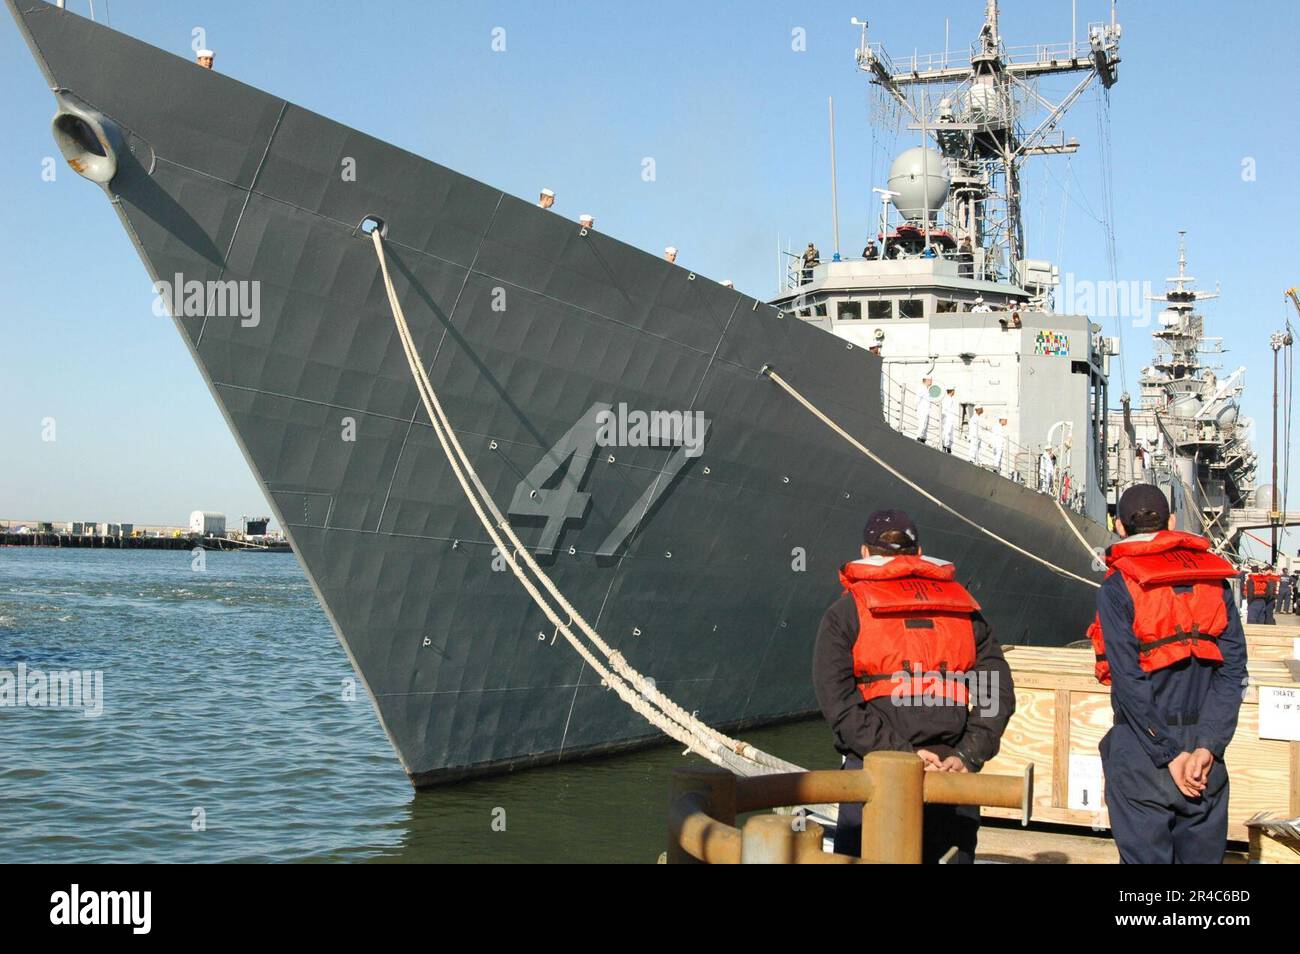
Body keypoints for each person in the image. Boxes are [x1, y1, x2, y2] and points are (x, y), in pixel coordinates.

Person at [813, 509, 1015, 862]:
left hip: (875, 777)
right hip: (953, 777)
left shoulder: (845, 614)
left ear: (865, 553)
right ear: (919, 553)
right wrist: (968, 754)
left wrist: (902, 756)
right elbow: (995, 691)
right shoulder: (964, 610)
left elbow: (839, 704)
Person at [1086, 484, 1246, 864]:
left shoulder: (1117, 586)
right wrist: (1207, 746)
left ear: (1120, 528)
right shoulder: (1214, 581)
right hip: (1205, 758)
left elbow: (1128, 680)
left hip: (1145, 754)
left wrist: (1169, 754)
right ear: (1172, 522)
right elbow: (1234, 670)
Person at [913, 377, 934, 443]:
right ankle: (919, 438)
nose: (931, 381)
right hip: (922, 410)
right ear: (926, 380)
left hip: (926, 410)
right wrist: (916, 408)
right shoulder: (921, 388)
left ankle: (923, 438)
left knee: (925, 425)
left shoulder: (926, 389)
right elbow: (917, 399)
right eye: (930, 380)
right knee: (922, 424)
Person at [940, 387, 958, 454]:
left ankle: (949, 447)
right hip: (947, 419)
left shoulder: (950, 399)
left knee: (950, 433)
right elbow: (944, 410)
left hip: (950, 419)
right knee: (946, 432)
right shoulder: (946, 399)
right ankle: (945, 446)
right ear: (952, 391)